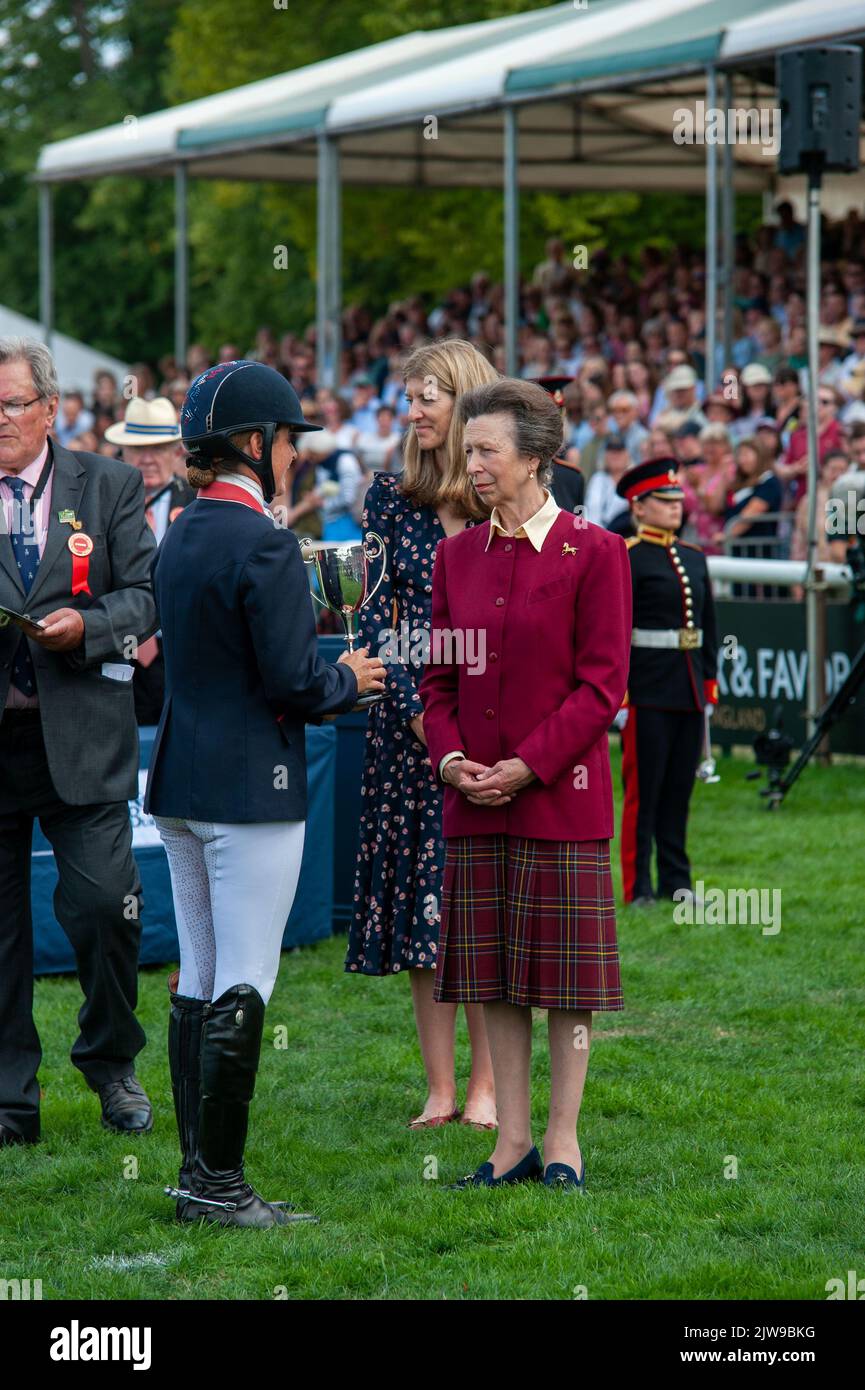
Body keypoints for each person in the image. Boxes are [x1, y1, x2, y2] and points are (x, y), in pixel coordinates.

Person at [144, 360, 385, 1228]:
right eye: (288, 441)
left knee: (198, 975)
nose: (294, 456)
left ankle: (194, 1172)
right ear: (256, 444)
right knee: (244, 979)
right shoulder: (265, 543)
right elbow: (291, 681)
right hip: (249, 785)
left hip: (179, 778)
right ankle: (215, 1182)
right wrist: (348, 677)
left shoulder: (181, 530)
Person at [420, 377, 632, 1192]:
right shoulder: (455, 555)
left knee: (564, 989)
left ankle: (563, 1142)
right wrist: (450, 762)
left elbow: (600, 685)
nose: (470, 464)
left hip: (560, 801)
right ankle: (510, 1144)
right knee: (494, 978)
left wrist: (528, 765)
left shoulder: (597, 552)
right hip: (472, 802)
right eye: (467, 450)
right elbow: (436, 687)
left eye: (485, 450)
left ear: (535, 459)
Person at [0, 336, 158, 1146]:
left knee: (104, 907)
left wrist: (86, 629)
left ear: (51, 409)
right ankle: (9, 1102)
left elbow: (144, 597)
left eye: (11, 405)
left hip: (83, 737)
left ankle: (110, 1061)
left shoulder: (111, 484)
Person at [346, 340, 499, 1132]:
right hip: (407, 741)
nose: (414, 412)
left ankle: (487, 1086)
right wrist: (419, 717)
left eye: (429, 395)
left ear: (467, 399)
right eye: (409, 398)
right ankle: (440, 1087)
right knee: (421, 919)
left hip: (492, 736)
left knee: (473, 911)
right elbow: (375, 619)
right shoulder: (388, 498)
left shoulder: (498, 499)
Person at [615, 459, 719, 907]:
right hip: (647, 691)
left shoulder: (694, 558)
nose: (675, 508)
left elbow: (708, 628)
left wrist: (710, 683)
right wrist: (620, 695)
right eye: (663, 501)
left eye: (678, 500)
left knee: (679, 792)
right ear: (639, 507)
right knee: (644, 794)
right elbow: (617, 630)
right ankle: (638, 887)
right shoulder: (627, 555)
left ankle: (678, 883)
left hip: (689, 689)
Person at [104, 397, 195, 724]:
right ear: (122, 453)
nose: (147, 459)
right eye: (138, 449)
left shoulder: (198, 506)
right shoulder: (102, 506)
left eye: (158, 448)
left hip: (179, 652)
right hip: (114, 650)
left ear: (175, 453)